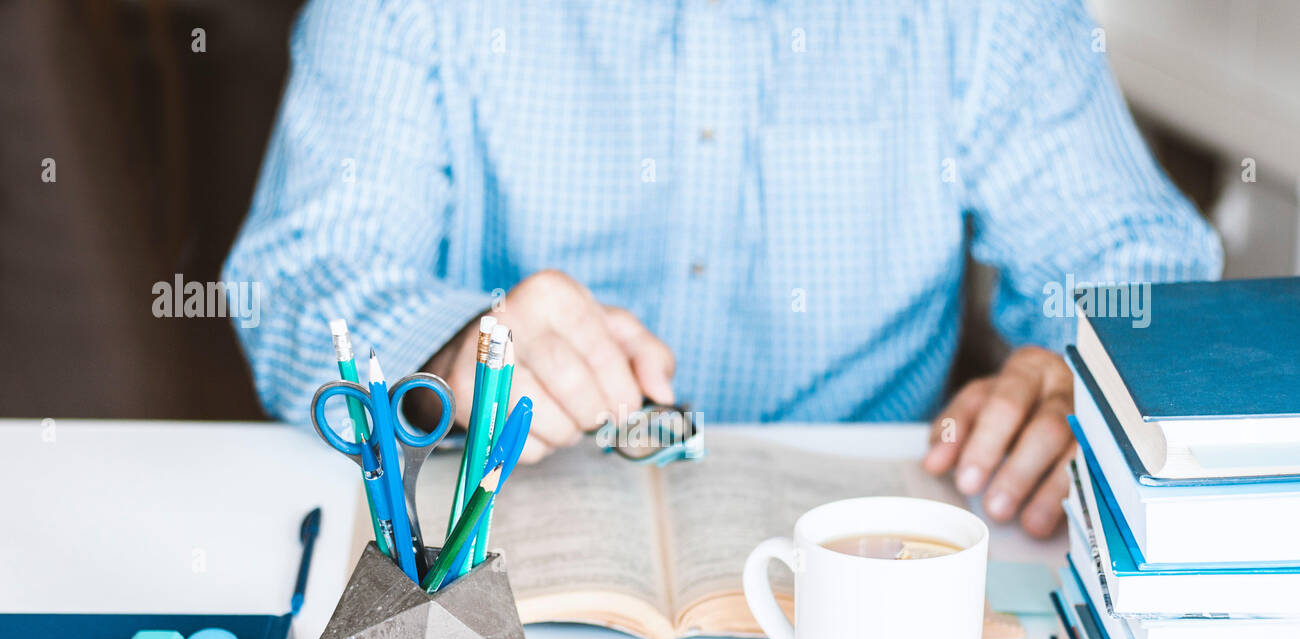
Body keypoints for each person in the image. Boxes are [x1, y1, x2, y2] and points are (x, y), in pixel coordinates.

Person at [224, 0, 1221, 538]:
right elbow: (300, 274)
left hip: (874, 574)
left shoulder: (986, 14)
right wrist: (445, 351)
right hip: (494, 558)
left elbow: (1144, 271)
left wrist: (1080, 378)